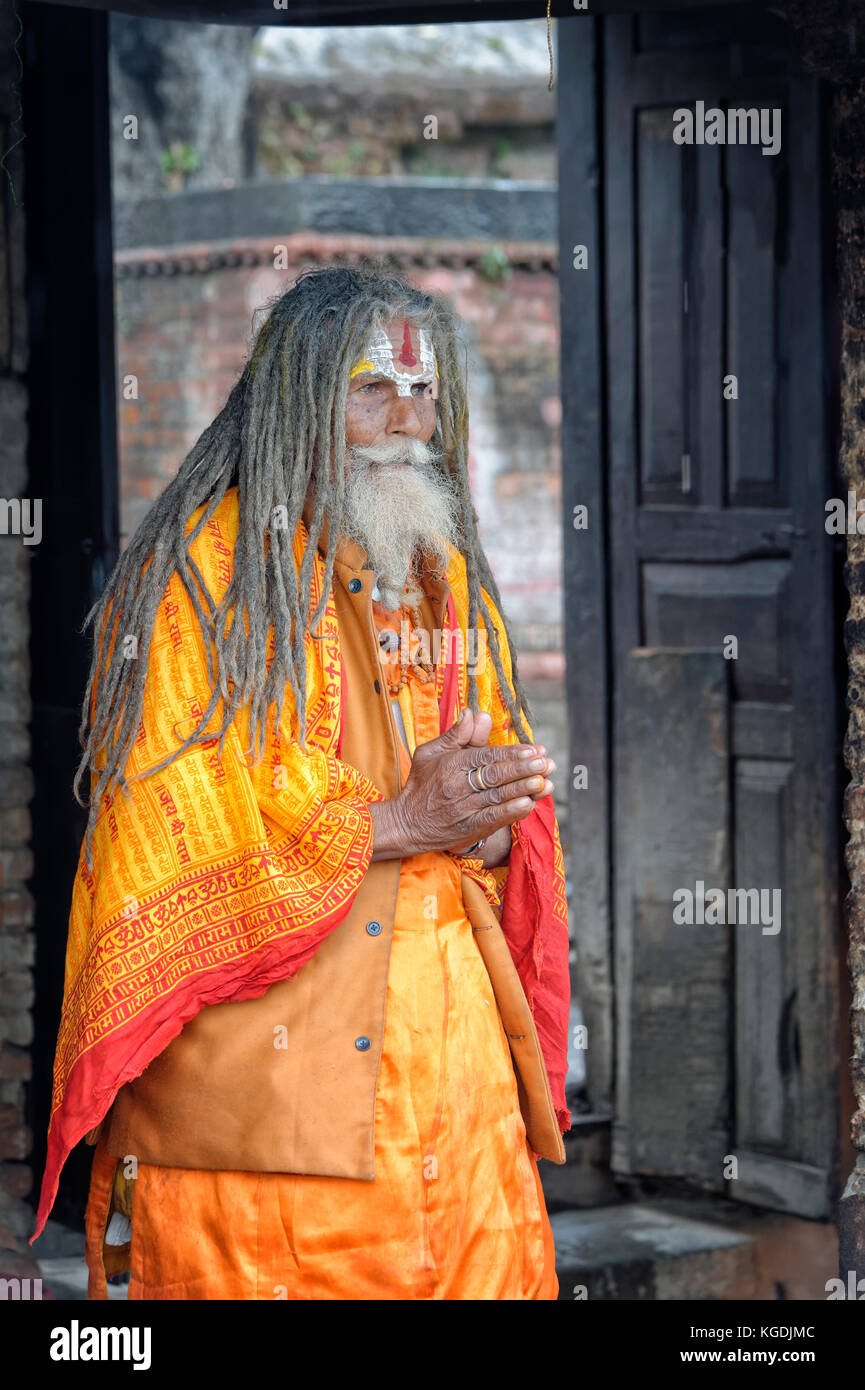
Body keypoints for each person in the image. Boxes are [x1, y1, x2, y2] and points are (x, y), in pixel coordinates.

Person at [32, 264, 571, 1300]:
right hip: (272, 1099)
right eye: (373, 389)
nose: (406, 419)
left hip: (458, 1080)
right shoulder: (199, 577)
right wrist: (403, 820)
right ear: (299, 399)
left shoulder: (440, 572)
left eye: (424, 393)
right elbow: (171, 834)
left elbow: (503, 793)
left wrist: (494, 821)